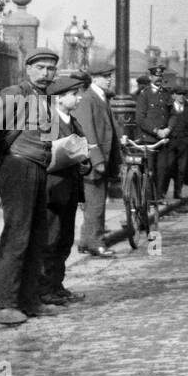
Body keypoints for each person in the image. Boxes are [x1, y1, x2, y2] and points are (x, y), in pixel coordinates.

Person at [0, 48, 63, 326]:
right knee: (17, 234)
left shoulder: (48, 99)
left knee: (37, 235)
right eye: (39, 67)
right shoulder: (14, 93)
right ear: (28, 69)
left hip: (39, 168)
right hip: (17, 166)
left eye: (50, 69)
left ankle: (29, 300)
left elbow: (48, 138)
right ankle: (3, 303)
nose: (45, 73)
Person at [40, 74, 92, 305]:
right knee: (50, 240)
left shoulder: (73, 121)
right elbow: (46, 156)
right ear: (59, 98)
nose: (79, 97)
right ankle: (45, 289)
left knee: (64, 239)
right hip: (53, 189)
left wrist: (84, 162)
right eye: (74, 94)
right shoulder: (49, 120)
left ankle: (57, 285)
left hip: (69, 188)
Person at [72, 65, 121, 257]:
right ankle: (96, 242)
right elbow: (87, 131)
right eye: (104, 76)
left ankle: (86, 240)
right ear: (94, 78)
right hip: (94, 160)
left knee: (96, 202)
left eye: (109, 76)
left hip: (104, 157)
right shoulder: (89, 99)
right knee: (96, 204)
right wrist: (98, 159)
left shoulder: (100, 97)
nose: (109, 79)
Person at [134, 73, 174, 200]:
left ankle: (158, 197)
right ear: (150, 78)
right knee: (150, 171)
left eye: (160, 77)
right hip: (149, 139)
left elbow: (173, 114)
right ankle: (149, 199)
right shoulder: (144, 94)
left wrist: (169, 128)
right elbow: (140, 119)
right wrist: (157, 131)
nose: (158, 79)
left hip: (163, 139)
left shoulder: (166, 93)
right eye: (156, 77)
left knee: (163, 169)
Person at [166, 85, 188, 199]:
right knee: (169, 167)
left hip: (184, 143)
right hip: (170, 142)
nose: (182, 97)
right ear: (174, 95)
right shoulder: (168, 107)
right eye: (179, 94)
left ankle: (177, 191)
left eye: (183, 94)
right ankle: (163, 193)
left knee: (181, 169)